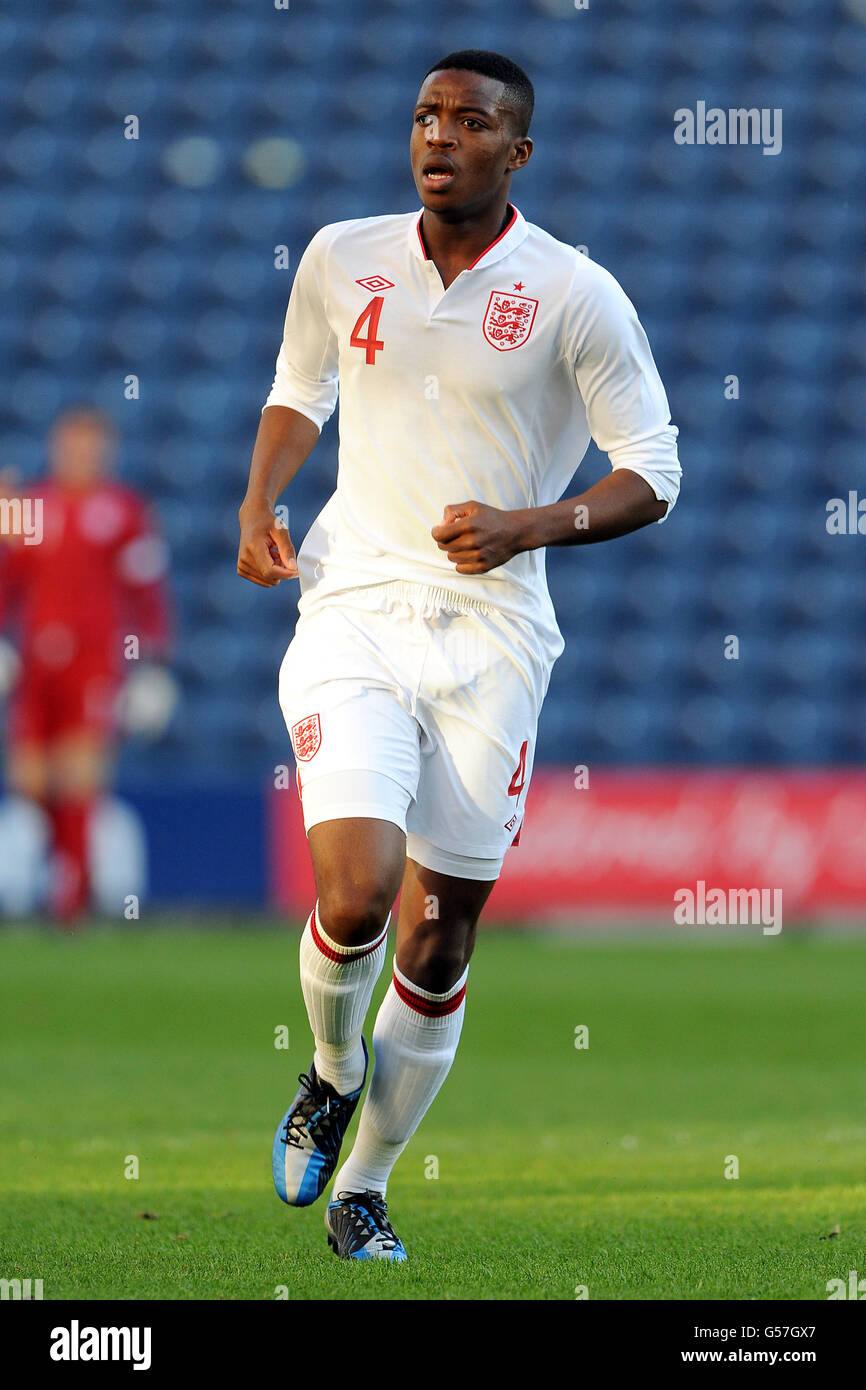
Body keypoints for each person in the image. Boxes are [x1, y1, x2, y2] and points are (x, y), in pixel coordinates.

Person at [237, 50, 681, 1261]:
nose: (439, 136)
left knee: (438, 942)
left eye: (469, 122)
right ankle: (331, 1070)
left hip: (492, 638)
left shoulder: (575, 293)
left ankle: (364, 1186)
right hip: (356, 603)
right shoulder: (341, 255)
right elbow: (298, 386)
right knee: (358, 892)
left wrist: (527, 525)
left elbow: (654, 473)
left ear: (515, 152)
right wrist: (257, 502)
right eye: (426, 116)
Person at [0, 406, 172, 921]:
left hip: (95, 663)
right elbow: (6, 581)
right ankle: (64, 878)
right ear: (56, 448)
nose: (81, 455)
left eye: (91, 445)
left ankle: (72, 901)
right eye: (72, 444)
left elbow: (147, 593)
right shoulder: (28, 506)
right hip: (36, 662)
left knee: (80, 776)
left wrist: (152, 662)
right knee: (31, 780)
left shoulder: (125, 509)